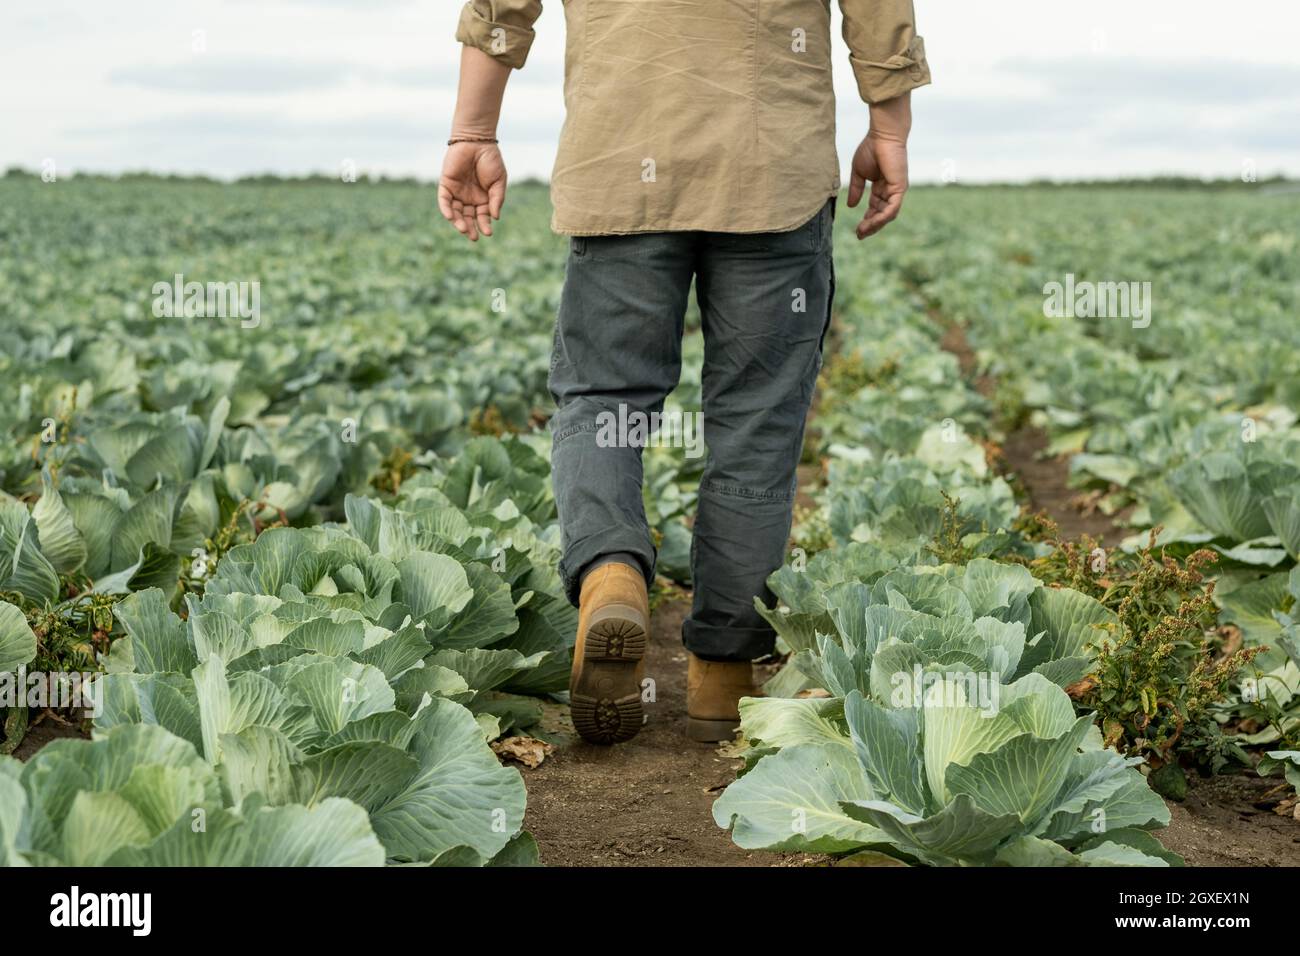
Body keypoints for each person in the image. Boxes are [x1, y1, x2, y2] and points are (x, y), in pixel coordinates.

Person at [439, 1, 929, 744]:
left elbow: (503, 5)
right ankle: (722, 678)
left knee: (604, 396)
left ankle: (610, 572)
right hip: (772, 167)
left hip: (620, 157)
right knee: (756, 420)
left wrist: (474, 130)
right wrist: (887, 125)